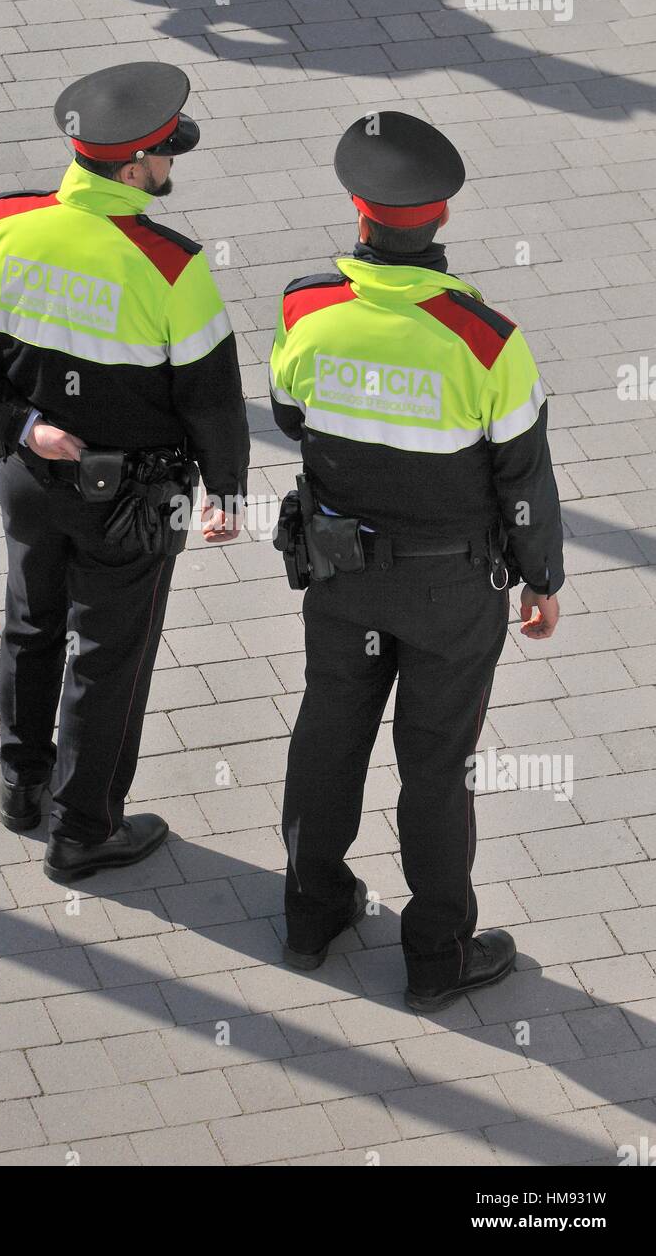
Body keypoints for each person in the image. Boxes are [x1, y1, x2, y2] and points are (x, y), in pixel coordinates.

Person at [0, 62, 249, 885]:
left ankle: (20, 784)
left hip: (28, 475)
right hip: (137, 503)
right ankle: (82, 830)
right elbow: (212, 400)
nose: (171, 165)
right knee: (110, 656)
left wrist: (23, 424)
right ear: (135, 165)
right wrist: (228, 491)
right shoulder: (173, 266)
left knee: (31, 623)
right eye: (165, 155)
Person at [269, 111, 564, 1012]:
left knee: (328, 733)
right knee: (436, 767)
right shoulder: (487, 340)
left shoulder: (305, 308)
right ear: (439, 222)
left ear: (358, 211)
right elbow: (522, 477)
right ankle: (435, 956)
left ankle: (312, 916)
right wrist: (541, 579)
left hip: (341, 574)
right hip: (450, 590)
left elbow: (289, 415)